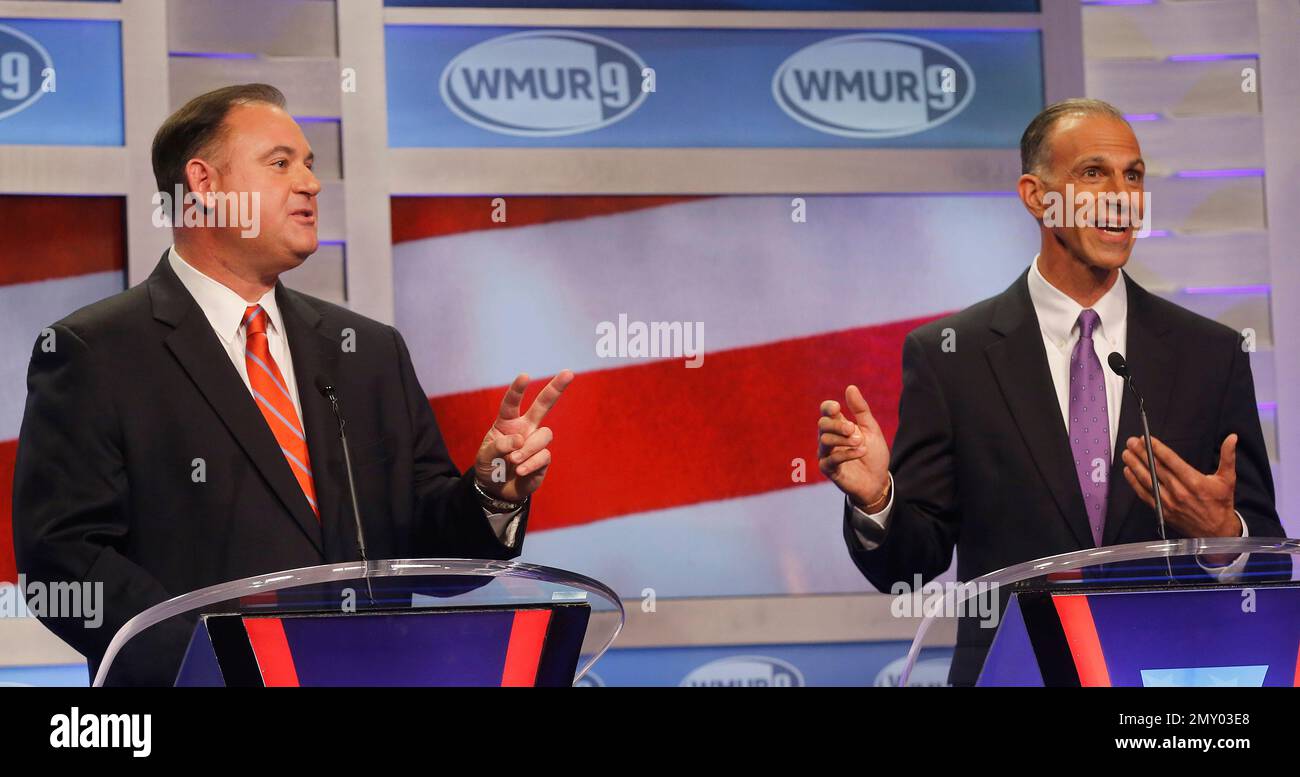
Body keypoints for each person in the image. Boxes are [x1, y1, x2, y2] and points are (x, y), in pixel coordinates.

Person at [13, 83, 573, 686]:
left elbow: (431, 557)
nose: (310, 183)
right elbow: (64, 562)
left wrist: (493, 494)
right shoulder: (97, 352)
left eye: (308, 164)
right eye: (280, 163)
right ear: (203, 184)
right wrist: (220, 663)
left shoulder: (367, 352)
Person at [818, 98, 1283, 686]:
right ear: (1037, 196)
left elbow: (1265, 561)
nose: (1121, 195)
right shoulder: (949, 357)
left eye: (1133, 176)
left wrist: (1224, 537)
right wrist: (877, 499)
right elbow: (909, 564)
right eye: (1094, 173)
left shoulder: (1208, 354)